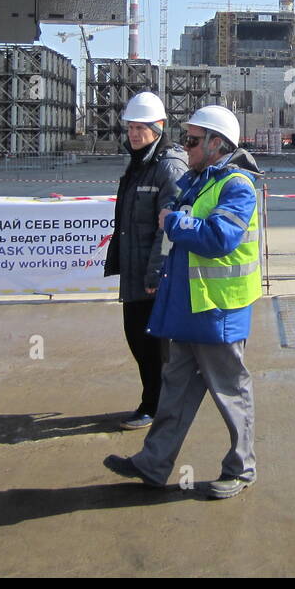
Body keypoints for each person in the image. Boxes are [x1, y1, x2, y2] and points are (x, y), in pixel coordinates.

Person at [104, 103, 262, 499]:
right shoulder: (198, 180)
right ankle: (152, 463)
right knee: (174, 389)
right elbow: (181, 212)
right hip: (189, 307)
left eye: (192, 140)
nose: (186, 145)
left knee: (230, 392)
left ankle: (241, 469)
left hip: (219, 311)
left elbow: (219, 237)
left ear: (217, 143)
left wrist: (174, 221)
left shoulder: (237, 185)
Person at [102, 92, 188, 431]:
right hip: (136, 270)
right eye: (131, 127)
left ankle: (155, 406)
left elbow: (166, 228)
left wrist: (156, 271)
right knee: (137, 338)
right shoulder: (140, 162)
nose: (134, 134)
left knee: (152, 344)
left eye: (142, 128)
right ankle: (159, 400)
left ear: (160, 126)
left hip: (153, 274)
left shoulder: (168, 166)